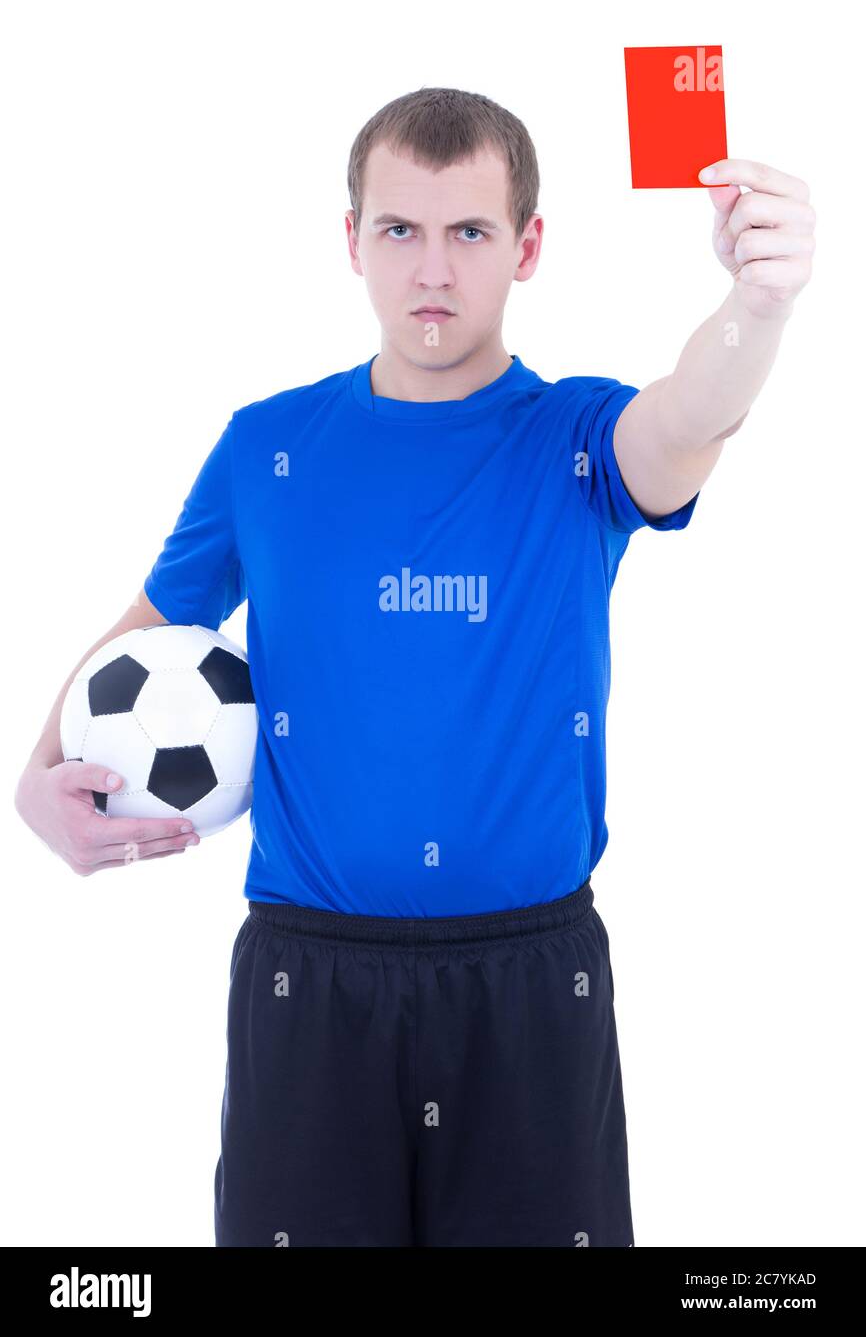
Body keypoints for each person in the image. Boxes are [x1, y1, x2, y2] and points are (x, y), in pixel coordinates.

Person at [14, 86, 815, 1247]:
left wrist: (757, 303)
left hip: (530, 983)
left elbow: (686, 418)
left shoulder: (577, 438)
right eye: (399, 230)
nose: (430, 269)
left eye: (469, 232)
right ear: (351, 240)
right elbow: (143, 637)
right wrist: (35, 781)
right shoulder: (266, 447)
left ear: (525, 246)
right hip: (308, 981)